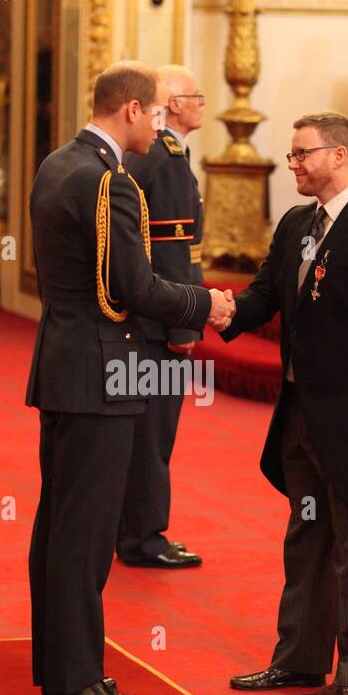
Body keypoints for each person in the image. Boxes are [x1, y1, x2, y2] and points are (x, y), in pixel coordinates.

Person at [25, 61, 234, 695]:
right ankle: (76, 681)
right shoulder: (106, 180)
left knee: (59, 527)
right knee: (85, 537)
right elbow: (132, 288)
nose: (160, 124)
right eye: (154, 113)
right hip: (101, 371)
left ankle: (61, 668)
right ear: (132, 110)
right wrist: (209, 305)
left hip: (63, 364)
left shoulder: (58, 162)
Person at [220, 112, 348, 695]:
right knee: (307, 535)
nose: (293, 164)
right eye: (291, 155)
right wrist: (213, 309)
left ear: (339, 156)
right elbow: (264, 297)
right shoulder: (296, 223)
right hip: (300, 410)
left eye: (302, 154)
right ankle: (300, 660)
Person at [117, 65, 207, 569]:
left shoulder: (148, 152)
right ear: (172, 104)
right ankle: (145, 539)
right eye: (196, 96)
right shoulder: (168, 158)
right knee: (155, 434)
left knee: (141, 430)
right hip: (160, 320)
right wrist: (184, 325)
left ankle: (127, 530)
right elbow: (174, 255)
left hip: (140, 315)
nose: (202, 104)